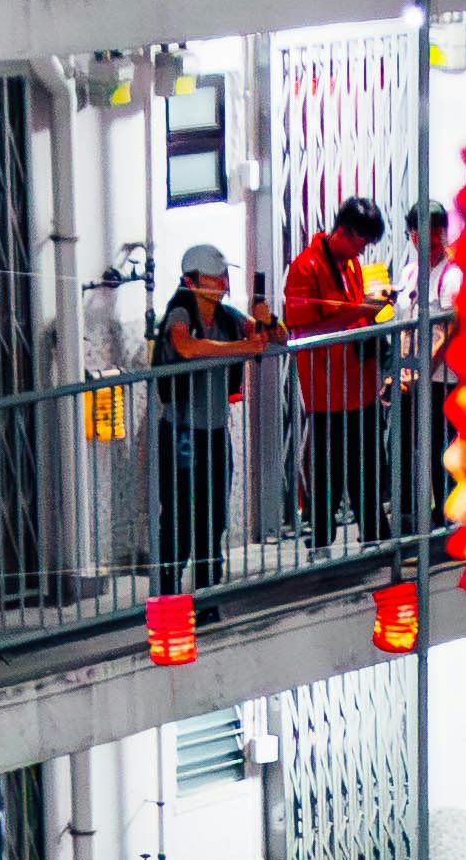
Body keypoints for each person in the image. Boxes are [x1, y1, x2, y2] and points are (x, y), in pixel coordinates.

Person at [280, 196, 398, 545]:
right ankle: (321, 538)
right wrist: (359, 310)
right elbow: (302, 331)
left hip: (359, 386)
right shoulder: (305, 268)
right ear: (345, 232)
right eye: (362, 243)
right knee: (327, 471)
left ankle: (374, 536)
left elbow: (354, 317)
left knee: (369, 466)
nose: (363, 252)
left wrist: (374, 309)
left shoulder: (351, 267)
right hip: (327, 393)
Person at [144, 247, 262, 590]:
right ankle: (170, 599)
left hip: (214, 433)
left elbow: (266, 333)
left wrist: (266, 321)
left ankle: (208, 597)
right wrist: (242, 348)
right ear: (190, 281)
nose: (222, 283)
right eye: (213, 277)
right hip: (182, 435)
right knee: (179, 523)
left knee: (213, 522)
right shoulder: (180, 311)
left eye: (223, 275)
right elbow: (186, 346)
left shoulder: (227, 317)